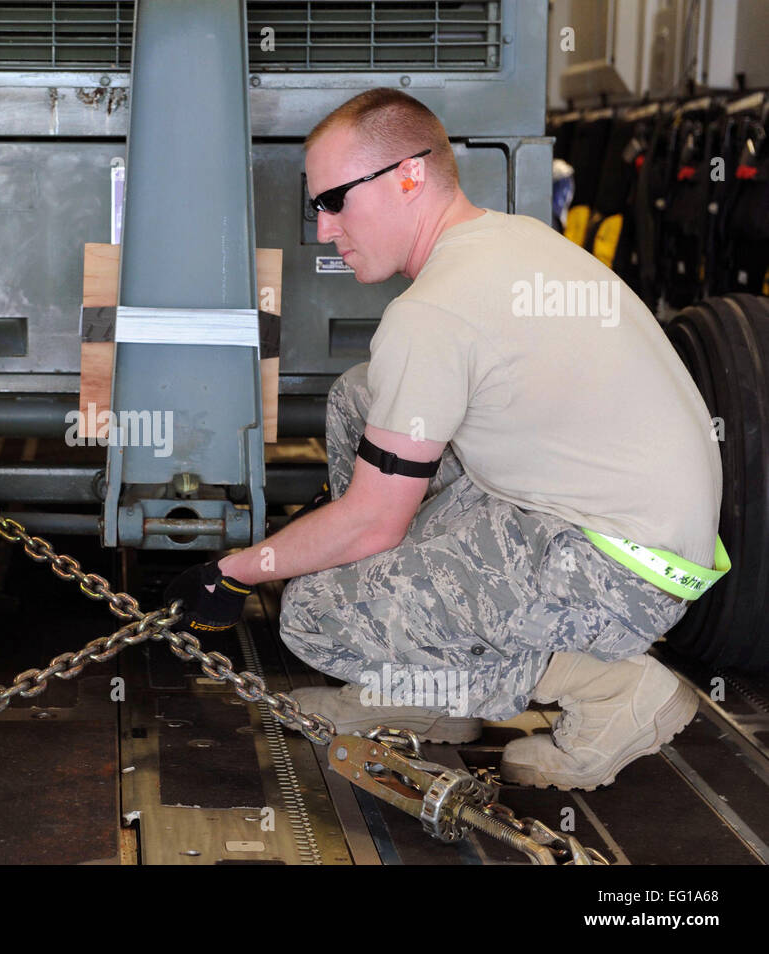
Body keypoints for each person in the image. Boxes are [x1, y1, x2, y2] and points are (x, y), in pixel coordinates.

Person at [166, 88, 725, 792]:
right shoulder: (508, 239)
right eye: (317, 206)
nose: (326, 227)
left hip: (620, 572)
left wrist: (236, 572)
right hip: (628, 526)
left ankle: (613, 691)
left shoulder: (431, 314)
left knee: (314, 611)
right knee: (360, 396)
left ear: (409, 175)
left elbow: (372, 522)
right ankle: (421, 687)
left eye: (336, 200)